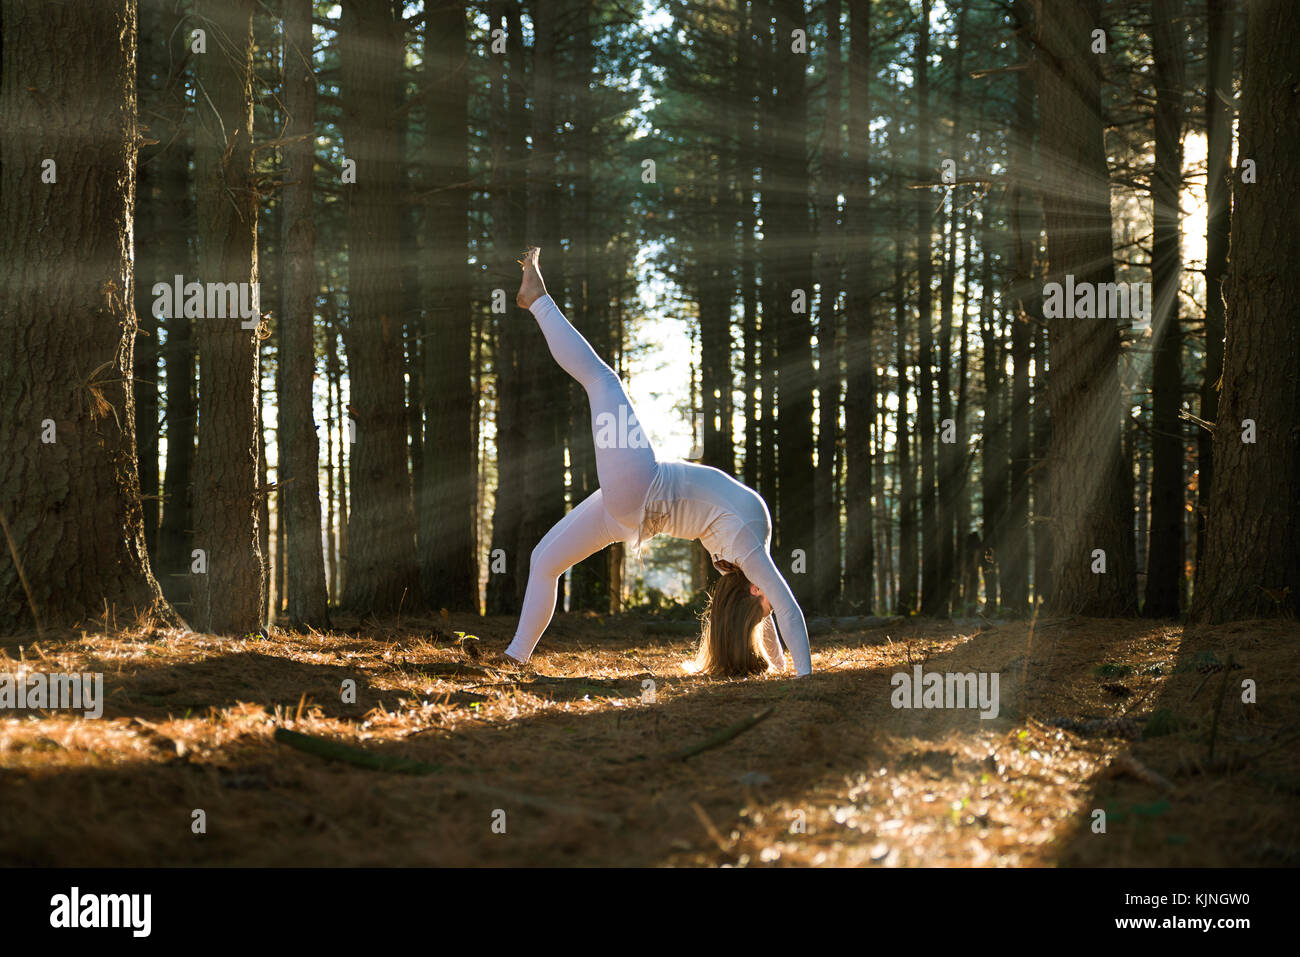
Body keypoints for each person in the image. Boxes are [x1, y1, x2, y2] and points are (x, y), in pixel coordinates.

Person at [496, 247, 812, 679]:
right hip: (631, 507)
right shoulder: (750, 556)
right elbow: (776, 613)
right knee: (544, 560)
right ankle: (514, 657)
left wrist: (804, 680)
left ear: (756, 591)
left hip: (642, 489)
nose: (767, 605)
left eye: (762, 604)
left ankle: (537, 300)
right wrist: (782, 670)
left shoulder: (749, 548)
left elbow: (785, 609)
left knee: (603, 380)